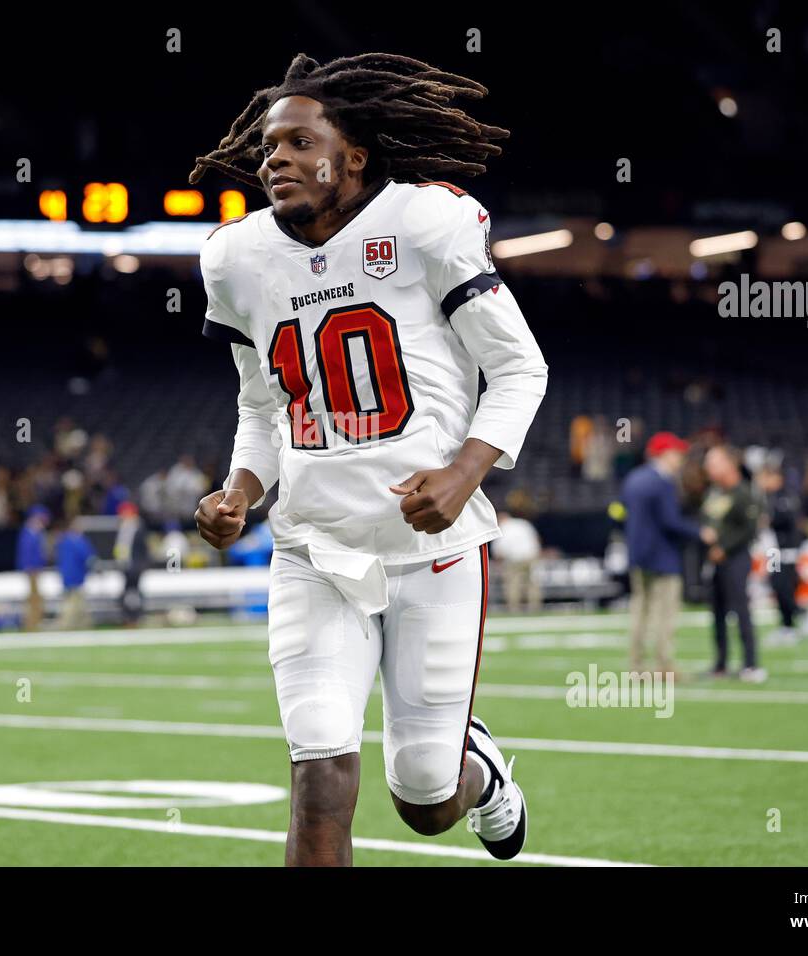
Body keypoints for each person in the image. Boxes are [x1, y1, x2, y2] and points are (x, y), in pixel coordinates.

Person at [190, 52, 545, 865]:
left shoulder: (424, 224)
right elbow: (261, 407)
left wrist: (464, 474)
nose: (273, 158)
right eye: (267, 148)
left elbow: (521, 367)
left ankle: (481, 774)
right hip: (313, 549)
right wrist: (240, 489)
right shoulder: (237, 259)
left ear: (352, 155)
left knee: (425, 801)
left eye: (298, 141)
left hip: (433, 550)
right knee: (319, 776)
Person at [618, 432, 716, 675]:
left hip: (637, 555)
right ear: (663, 453)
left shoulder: (633, 478)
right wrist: (700, 533)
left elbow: (622, 516)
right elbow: (670, 521)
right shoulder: (662, 482)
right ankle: (664, 666)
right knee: (666, 614)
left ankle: (636, 666)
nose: (680, 459)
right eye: (676, 453)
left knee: (639, 612)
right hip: (662, 556)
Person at [702, 445, 764, 681]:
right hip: (715, 561)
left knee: (741, 609)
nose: (708, 467)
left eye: (714, 462)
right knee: (716, 612)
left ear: (730, 463)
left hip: (736, 558)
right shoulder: (714, 492)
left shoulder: (744, 492)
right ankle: (721, 663)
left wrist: (724, 548)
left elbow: (750, 529)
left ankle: (751, 663)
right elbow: (706, 519)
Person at [756, 464, 808, 642]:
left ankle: (803, 613)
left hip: (786, 551)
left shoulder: (785, 496)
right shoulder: (768, 498)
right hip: (774, 551)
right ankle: (786, 625)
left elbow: (788, 520)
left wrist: (768, 520)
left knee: (785, 588)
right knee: (775, 587)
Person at [492, 509, 542, 613]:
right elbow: (536, 539)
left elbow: (499, 550)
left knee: (513, 583)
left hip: (514, 559)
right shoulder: (523, 523)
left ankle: (514, 608)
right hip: (530, 556)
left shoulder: (503, 528)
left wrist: (498, 563)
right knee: (531, 583)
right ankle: (535, 607)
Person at [54, 518, 96, 630]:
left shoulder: (63, 540)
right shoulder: (78, 541)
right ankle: (66, 624)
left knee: (77, 600)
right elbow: (88, 556)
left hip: (67, 575)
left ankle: (83, 623)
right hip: (75, 575)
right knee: (73, 602)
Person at [16, 504, 50, 630]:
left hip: (36, 570)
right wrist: (29, 567)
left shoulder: (36, 533)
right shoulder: (28, 533)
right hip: (32, 571)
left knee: (36, 597)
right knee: (34, 597)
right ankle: (31, 623)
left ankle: (34, 621)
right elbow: (26, 553)